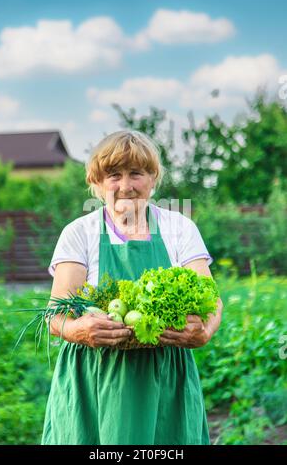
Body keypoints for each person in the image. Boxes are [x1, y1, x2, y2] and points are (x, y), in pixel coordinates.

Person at [41, 130, 223, 445]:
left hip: (164, 377)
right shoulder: (79, 233)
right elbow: (55, 315)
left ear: (153, 179)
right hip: (94, 379)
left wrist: (206, 328)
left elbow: (211, 298)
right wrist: (79, 329)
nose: (126, 186)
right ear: (96, 183)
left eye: (136, 173)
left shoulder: (178, 228)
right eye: (114, 175)